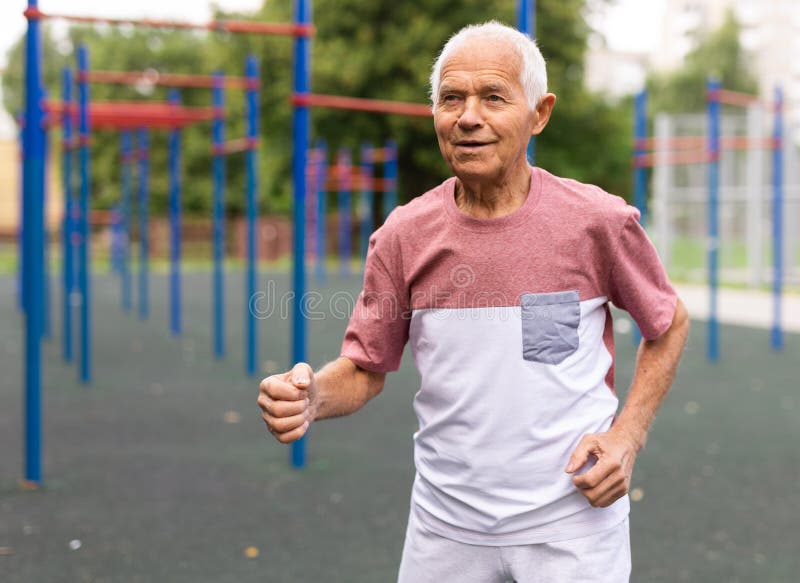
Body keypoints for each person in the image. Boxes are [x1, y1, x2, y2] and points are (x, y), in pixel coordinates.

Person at [258, 21, 689, 583]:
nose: (468, 117)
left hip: (572, 526)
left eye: (493, 97)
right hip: (446, 529)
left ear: (539, 113)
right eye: (450, 99)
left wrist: (626, 437)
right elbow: (365, 369)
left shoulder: (596, 221)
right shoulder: (402, 235)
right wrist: (312, 395)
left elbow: (668, 321)